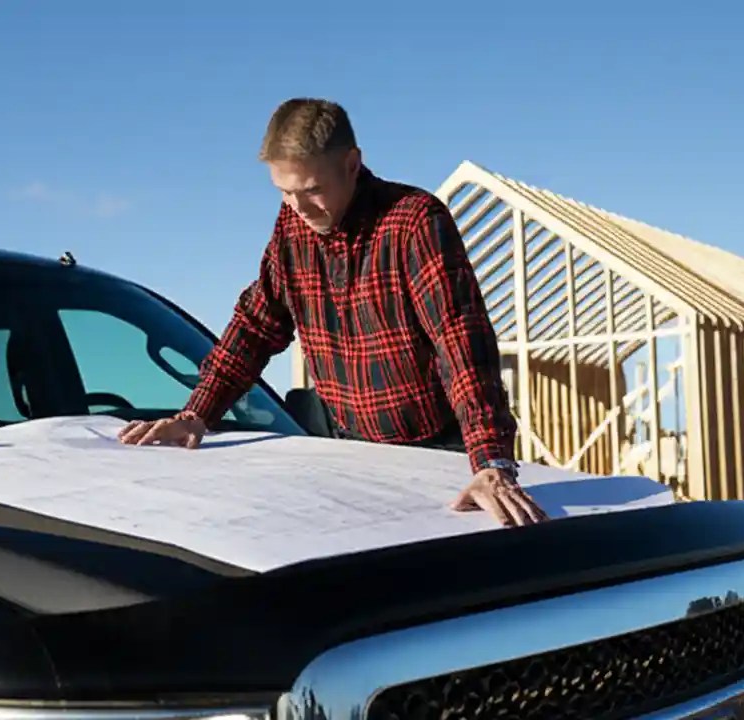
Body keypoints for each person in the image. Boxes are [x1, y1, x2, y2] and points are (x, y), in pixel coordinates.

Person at [118, 97, 549, 527]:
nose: (299, 208)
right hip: (348, 451)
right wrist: (197, 415)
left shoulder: (412, 222)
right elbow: (255, 327)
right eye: (285, 192)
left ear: (352, 164)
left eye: (312, 190)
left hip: (437, 453)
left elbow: (460, 342)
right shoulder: (292, 231)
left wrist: (491, 460)